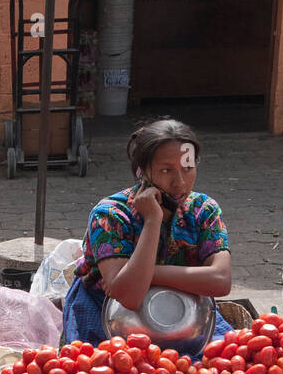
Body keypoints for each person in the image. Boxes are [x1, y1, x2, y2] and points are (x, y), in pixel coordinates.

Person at [62, 117, 232, 348]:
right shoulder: (111, 215)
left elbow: (221, 281)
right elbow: (129, 296)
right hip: (106, 310)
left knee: (217, 367)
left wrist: (145, 274)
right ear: (143, 172)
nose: (180, 182)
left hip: (186, 309)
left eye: (188, 168)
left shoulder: (204, 210)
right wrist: (153, 220)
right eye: (166, 170)